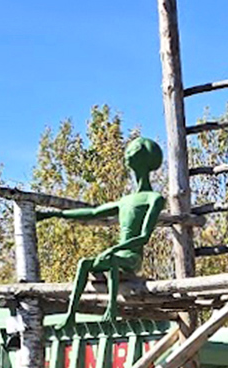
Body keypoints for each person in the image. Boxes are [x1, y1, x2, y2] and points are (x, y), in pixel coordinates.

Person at [37, 137, 164, 327]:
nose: (128, 154)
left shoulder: (154, 198)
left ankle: (111, 309)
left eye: (134, 150)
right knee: (84, 263)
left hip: (131, 258)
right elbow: (94, 212)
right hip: (117, 254)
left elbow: (143, 237)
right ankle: (71, 314)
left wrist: (113, 250)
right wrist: (56, 214)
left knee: (111, 260)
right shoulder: (125, 200)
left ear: (145, 159)